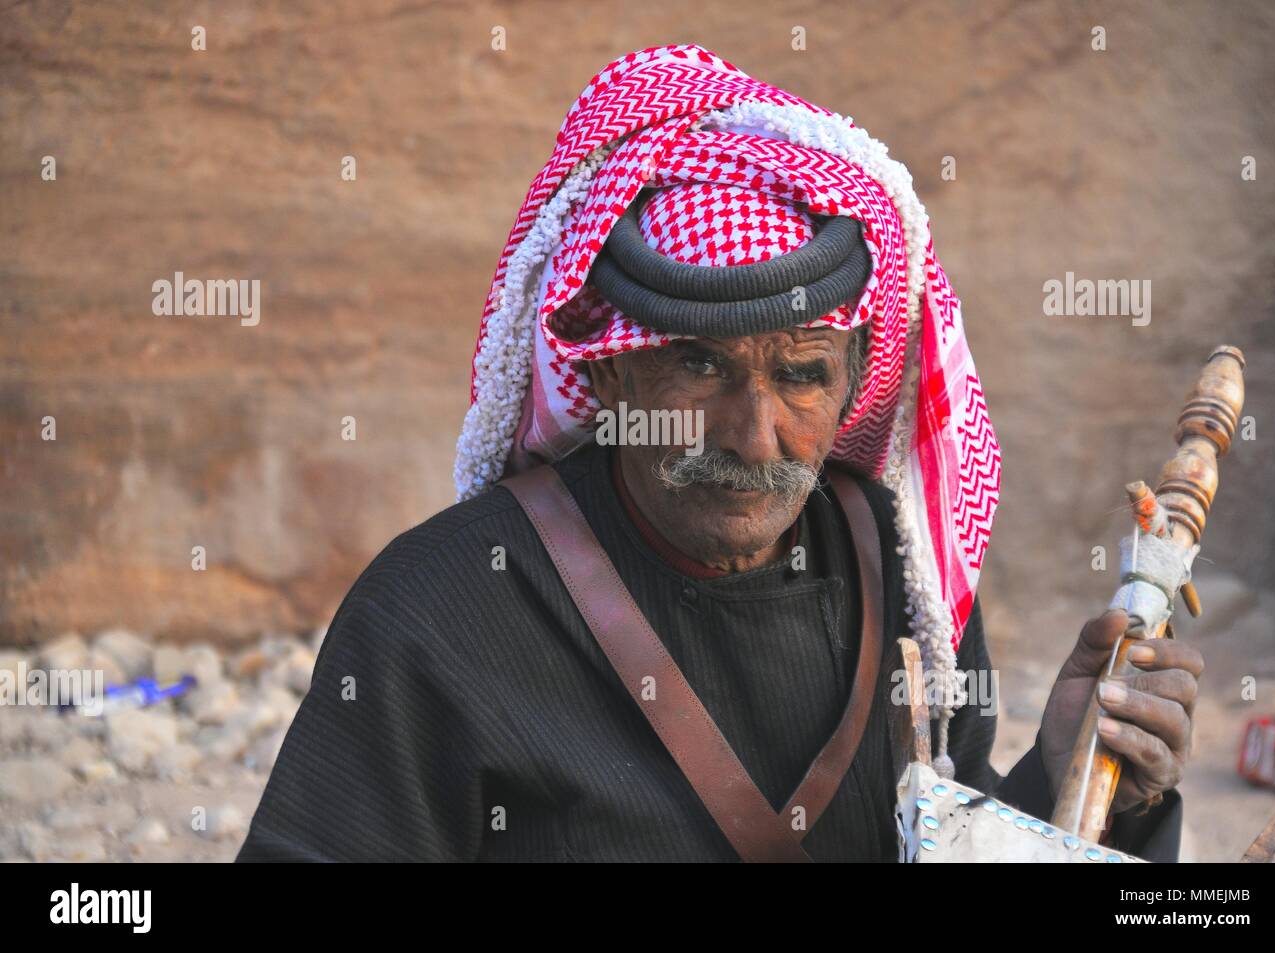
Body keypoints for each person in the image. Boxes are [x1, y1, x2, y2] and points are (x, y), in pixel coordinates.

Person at [236, 45, 1197, 862]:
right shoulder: (443, 610)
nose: (754, 435)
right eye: (700, 366)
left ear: (858, 377)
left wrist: (1083, 780)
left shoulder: (899, 577)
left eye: (804, 374)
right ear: (609, 374)